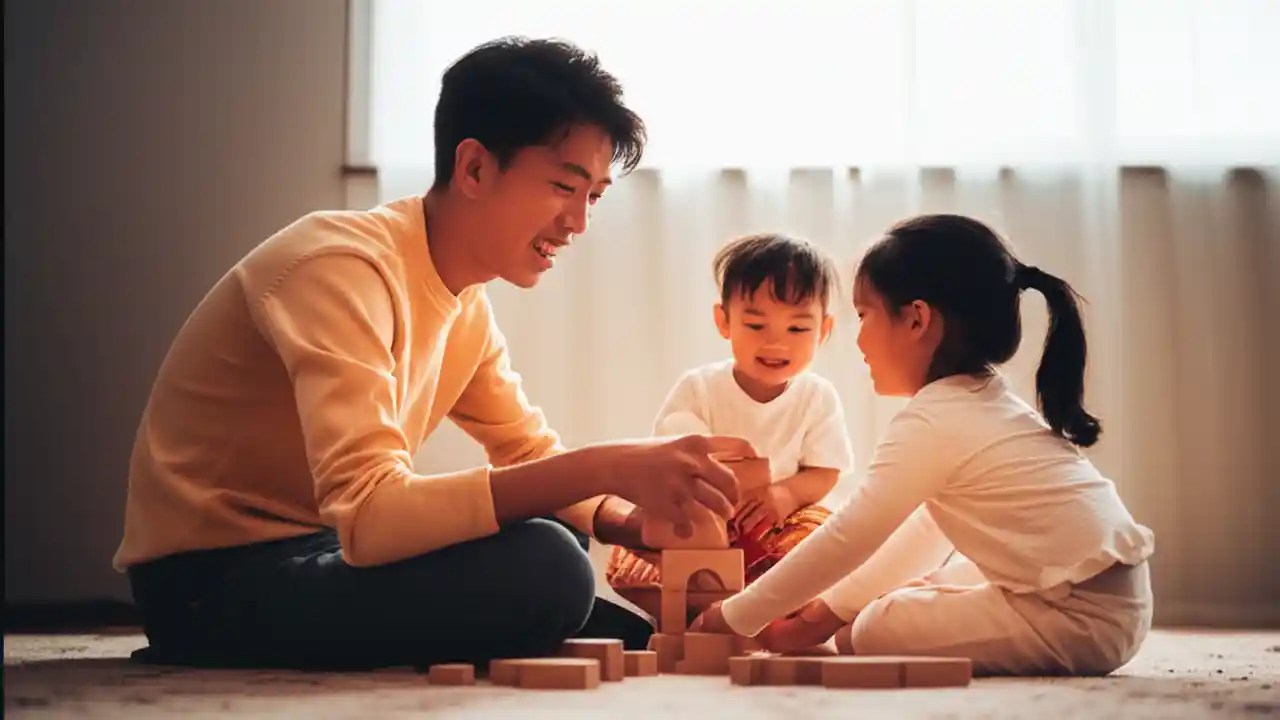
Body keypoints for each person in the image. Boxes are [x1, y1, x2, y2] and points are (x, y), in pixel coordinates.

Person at [114, 36, 754, 670]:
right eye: (565, 186)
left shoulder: (464, 303)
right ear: (474, 167)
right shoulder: (337, 268)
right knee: (549, 566)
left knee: (563, 540)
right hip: (211, 583)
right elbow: (371, 515)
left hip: (321, 551)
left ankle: (545, 611)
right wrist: (609, 466)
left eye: (594, 196)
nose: (579, 223)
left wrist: (633, 526)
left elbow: (528, 452)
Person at [691, 214, 1155, 676]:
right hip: (1108, 601)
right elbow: (931, 528)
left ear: (915, 320)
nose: (858, 339)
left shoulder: (934, 420)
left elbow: (851, 534)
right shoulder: (982, 399)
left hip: (1080, 619)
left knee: (866, 631)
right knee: (896, 595)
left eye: (863, 315)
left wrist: (736, 616)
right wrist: (826, 609)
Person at [608, 234, 854, 590]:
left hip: (777, 523)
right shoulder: (698, 388)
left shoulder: (817, 396)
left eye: (798, 328)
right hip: (702, 518)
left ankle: (769, 602)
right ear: (724, 321)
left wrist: (784, 495)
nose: (776, 342)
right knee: (643, 540)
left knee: (822, 537)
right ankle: (692, 605)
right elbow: (671, 461)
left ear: (824, 331)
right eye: (756, 325)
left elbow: (825, 471)